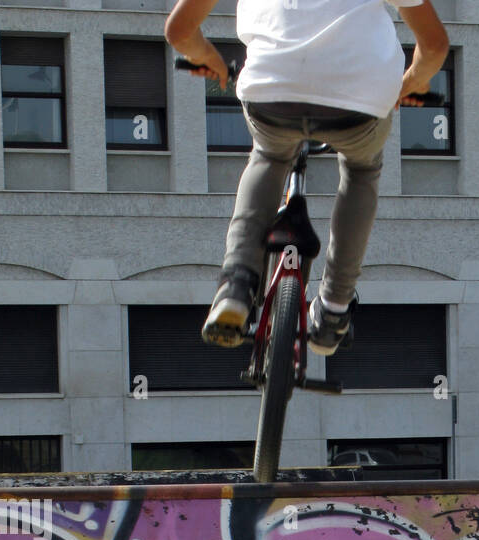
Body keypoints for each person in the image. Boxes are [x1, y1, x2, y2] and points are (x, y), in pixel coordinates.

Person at [164, 0, 449, 355]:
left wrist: (211, 59)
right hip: (358, 103)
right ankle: (334, 307)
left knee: (268, 155)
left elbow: (179, 32)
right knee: (362, 168)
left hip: (271, 94)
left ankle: (236, 285)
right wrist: (409, 84)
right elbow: (434, 46)